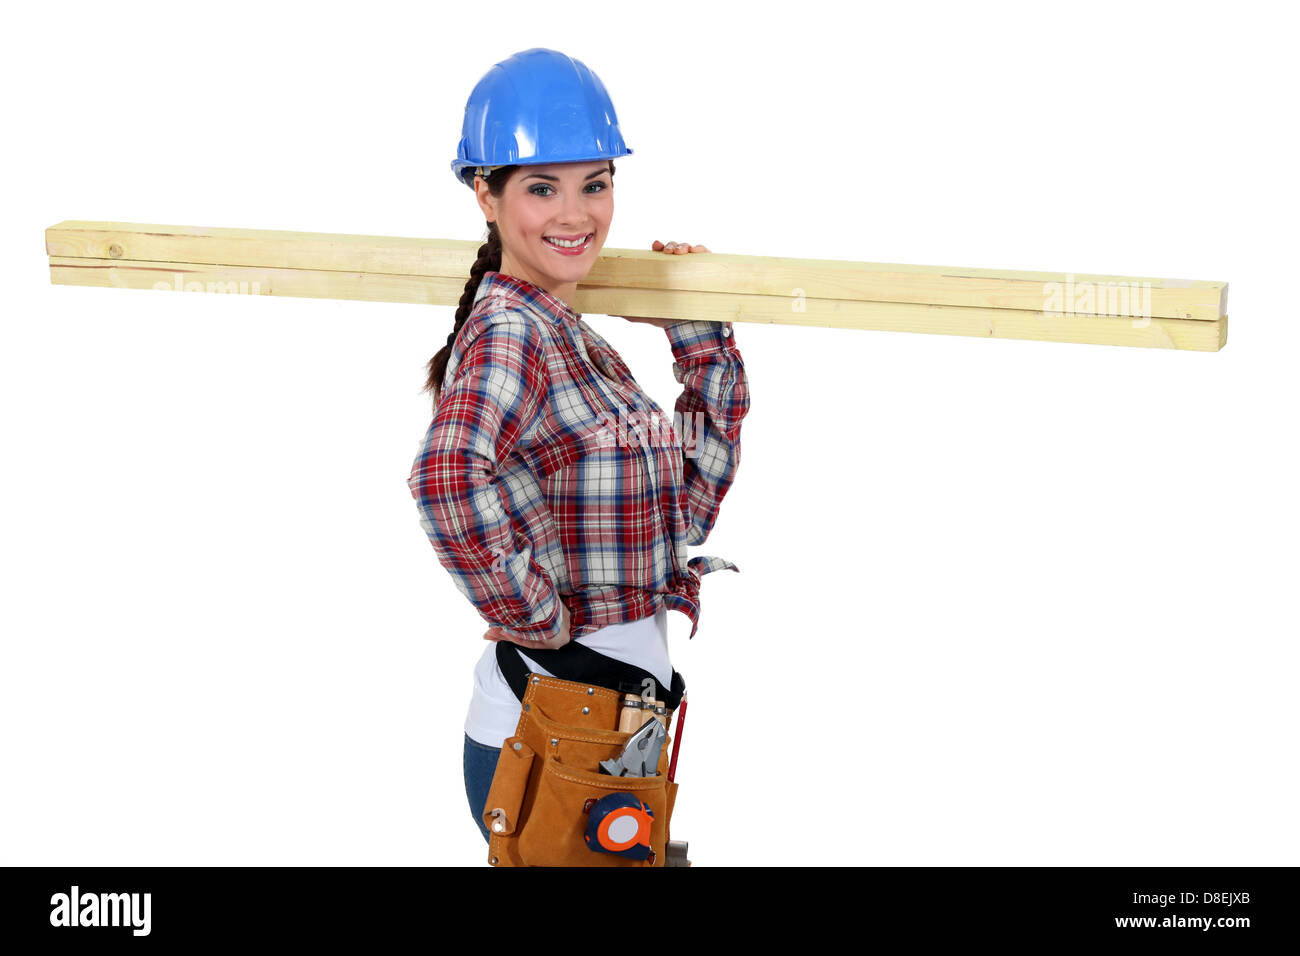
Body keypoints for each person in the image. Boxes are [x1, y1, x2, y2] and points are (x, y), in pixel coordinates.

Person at [406, 48, 750, 847]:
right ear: (484, 196)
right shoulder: (512, 333)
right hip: (556, 730)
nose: (575, 213)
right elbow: (445, 479)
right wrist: (537, 618)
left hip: (608, 732)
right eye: (540, 188)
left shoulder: (570, 339)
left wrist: (700, 337)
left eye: (595, 184)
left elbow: (688, 509)